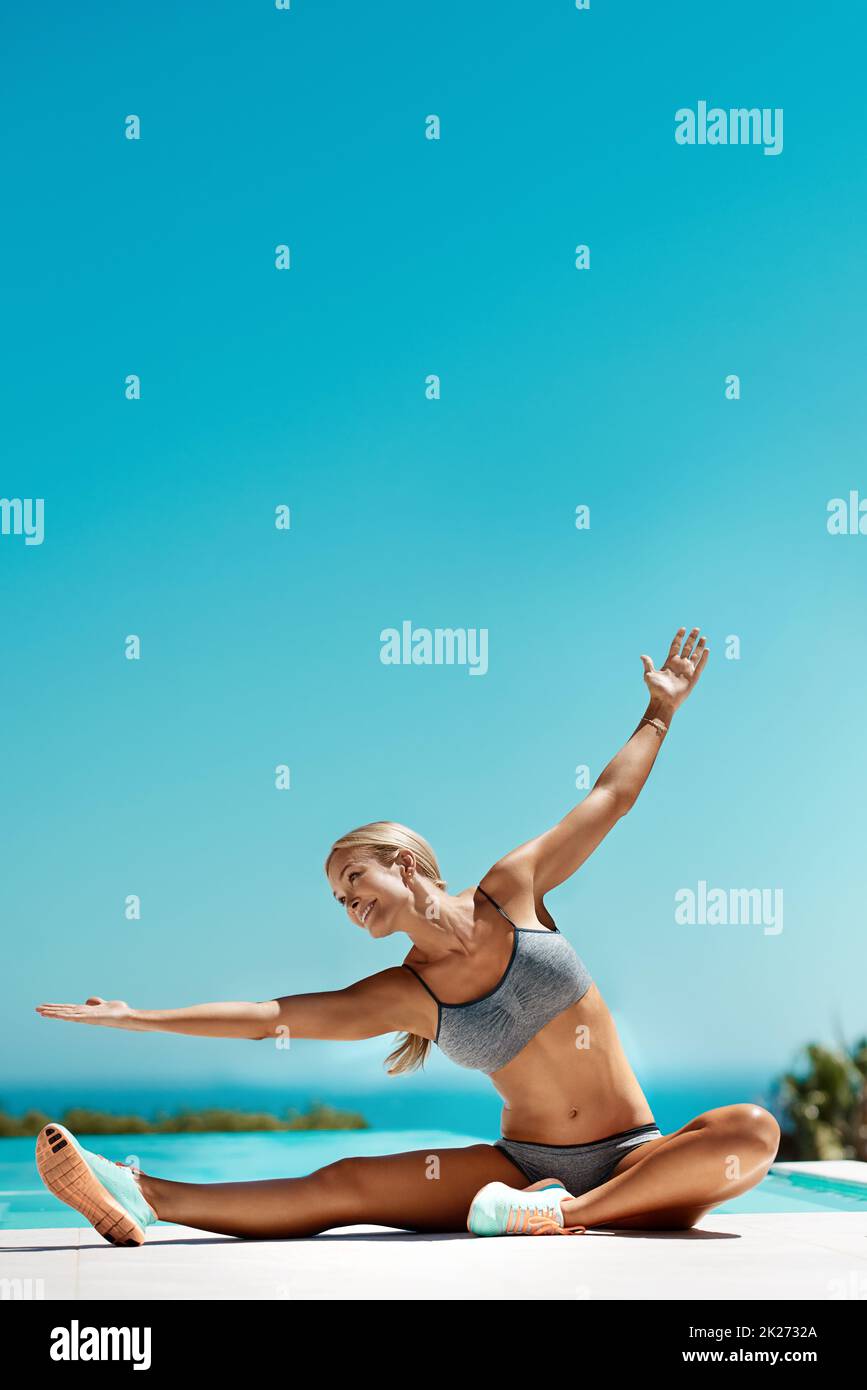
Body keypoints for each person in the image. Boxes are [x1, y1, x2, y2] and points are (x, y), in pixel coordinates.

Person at [35, 627, 780, 1241]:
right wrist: (137, 1017)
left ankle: (566, 1215)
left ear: (400, 862)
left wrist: (659, 713)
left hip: (632, 1162)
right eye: (336, 898)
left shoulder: (512, 888)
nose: (346, 902)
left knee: (749, 1130)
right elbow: (271, 1020)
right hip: (518, 1168)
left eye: (352, 880)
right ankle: (142, 1194)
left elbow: (609, 798)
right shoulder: (404, 992)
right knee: (344, 1184)